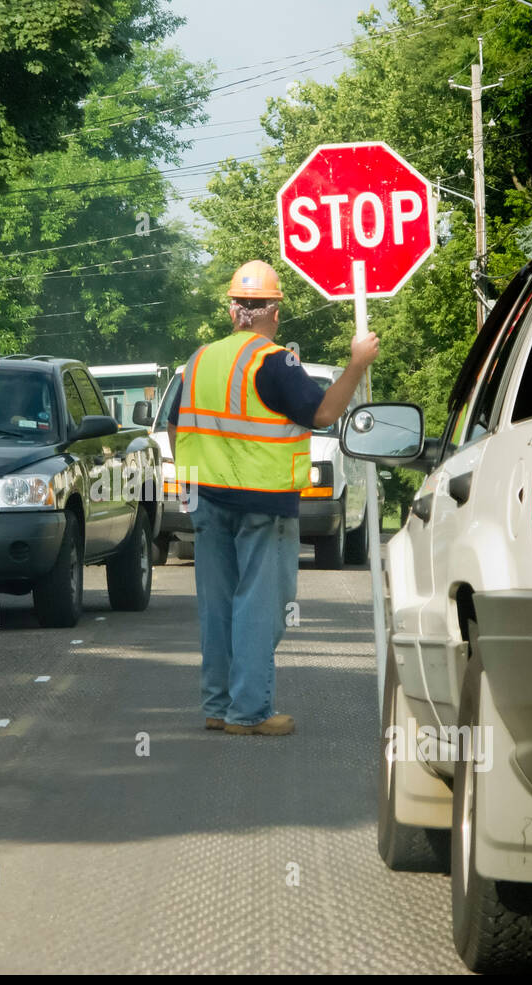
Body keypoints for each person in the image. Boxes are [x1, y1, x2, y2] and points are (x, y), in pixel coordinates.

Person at [167, 260, 379, 736]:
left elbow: (175, 424)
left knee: (217, 606)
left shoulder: (199, 359)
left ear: (231, 310)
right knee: (260, 606)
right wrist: (357, 364)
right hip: (261, 502)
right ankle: (250, 713)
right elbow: (323, 414)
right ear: (274, 312)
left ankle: (219, 708)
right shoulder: (275, 360)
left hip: (206, 499)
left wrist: (192, 479)